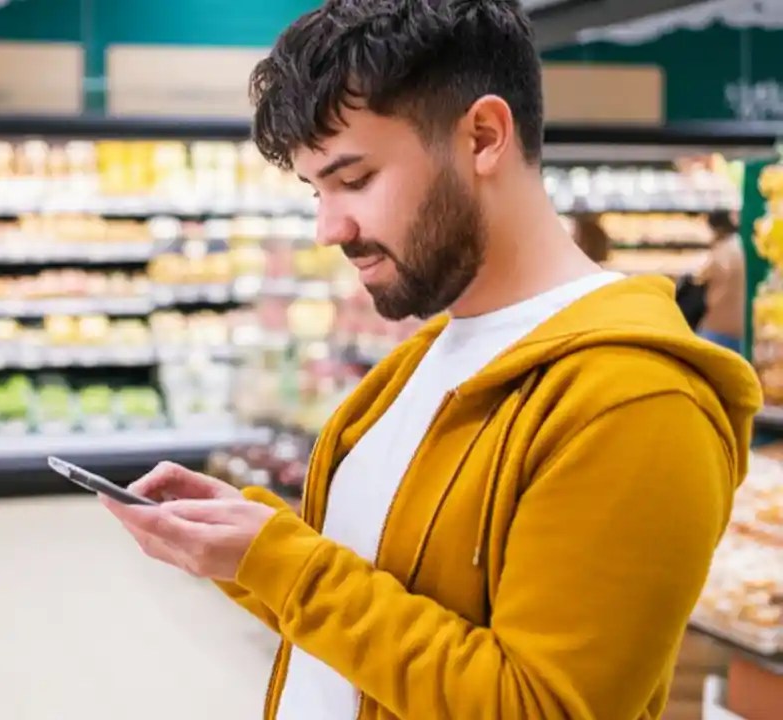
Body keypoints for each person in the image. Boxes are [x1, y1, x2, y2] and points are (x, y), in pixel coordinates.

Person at [98, 2, 762, 719]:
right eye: (317, 190)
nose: (329, 228)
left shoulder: (635, 399)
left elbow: (538, 707)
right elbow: (377, 621)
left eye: (355, 179)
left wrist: (283, 563)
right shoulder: (425, 358)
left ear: (483, 137)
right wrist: (244, 545)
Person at [695, 210, 745, 352]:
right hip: (741, 325)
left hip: (717, 325)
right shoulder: (741, 246)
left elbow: (700, 277)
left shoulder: (720, 250)